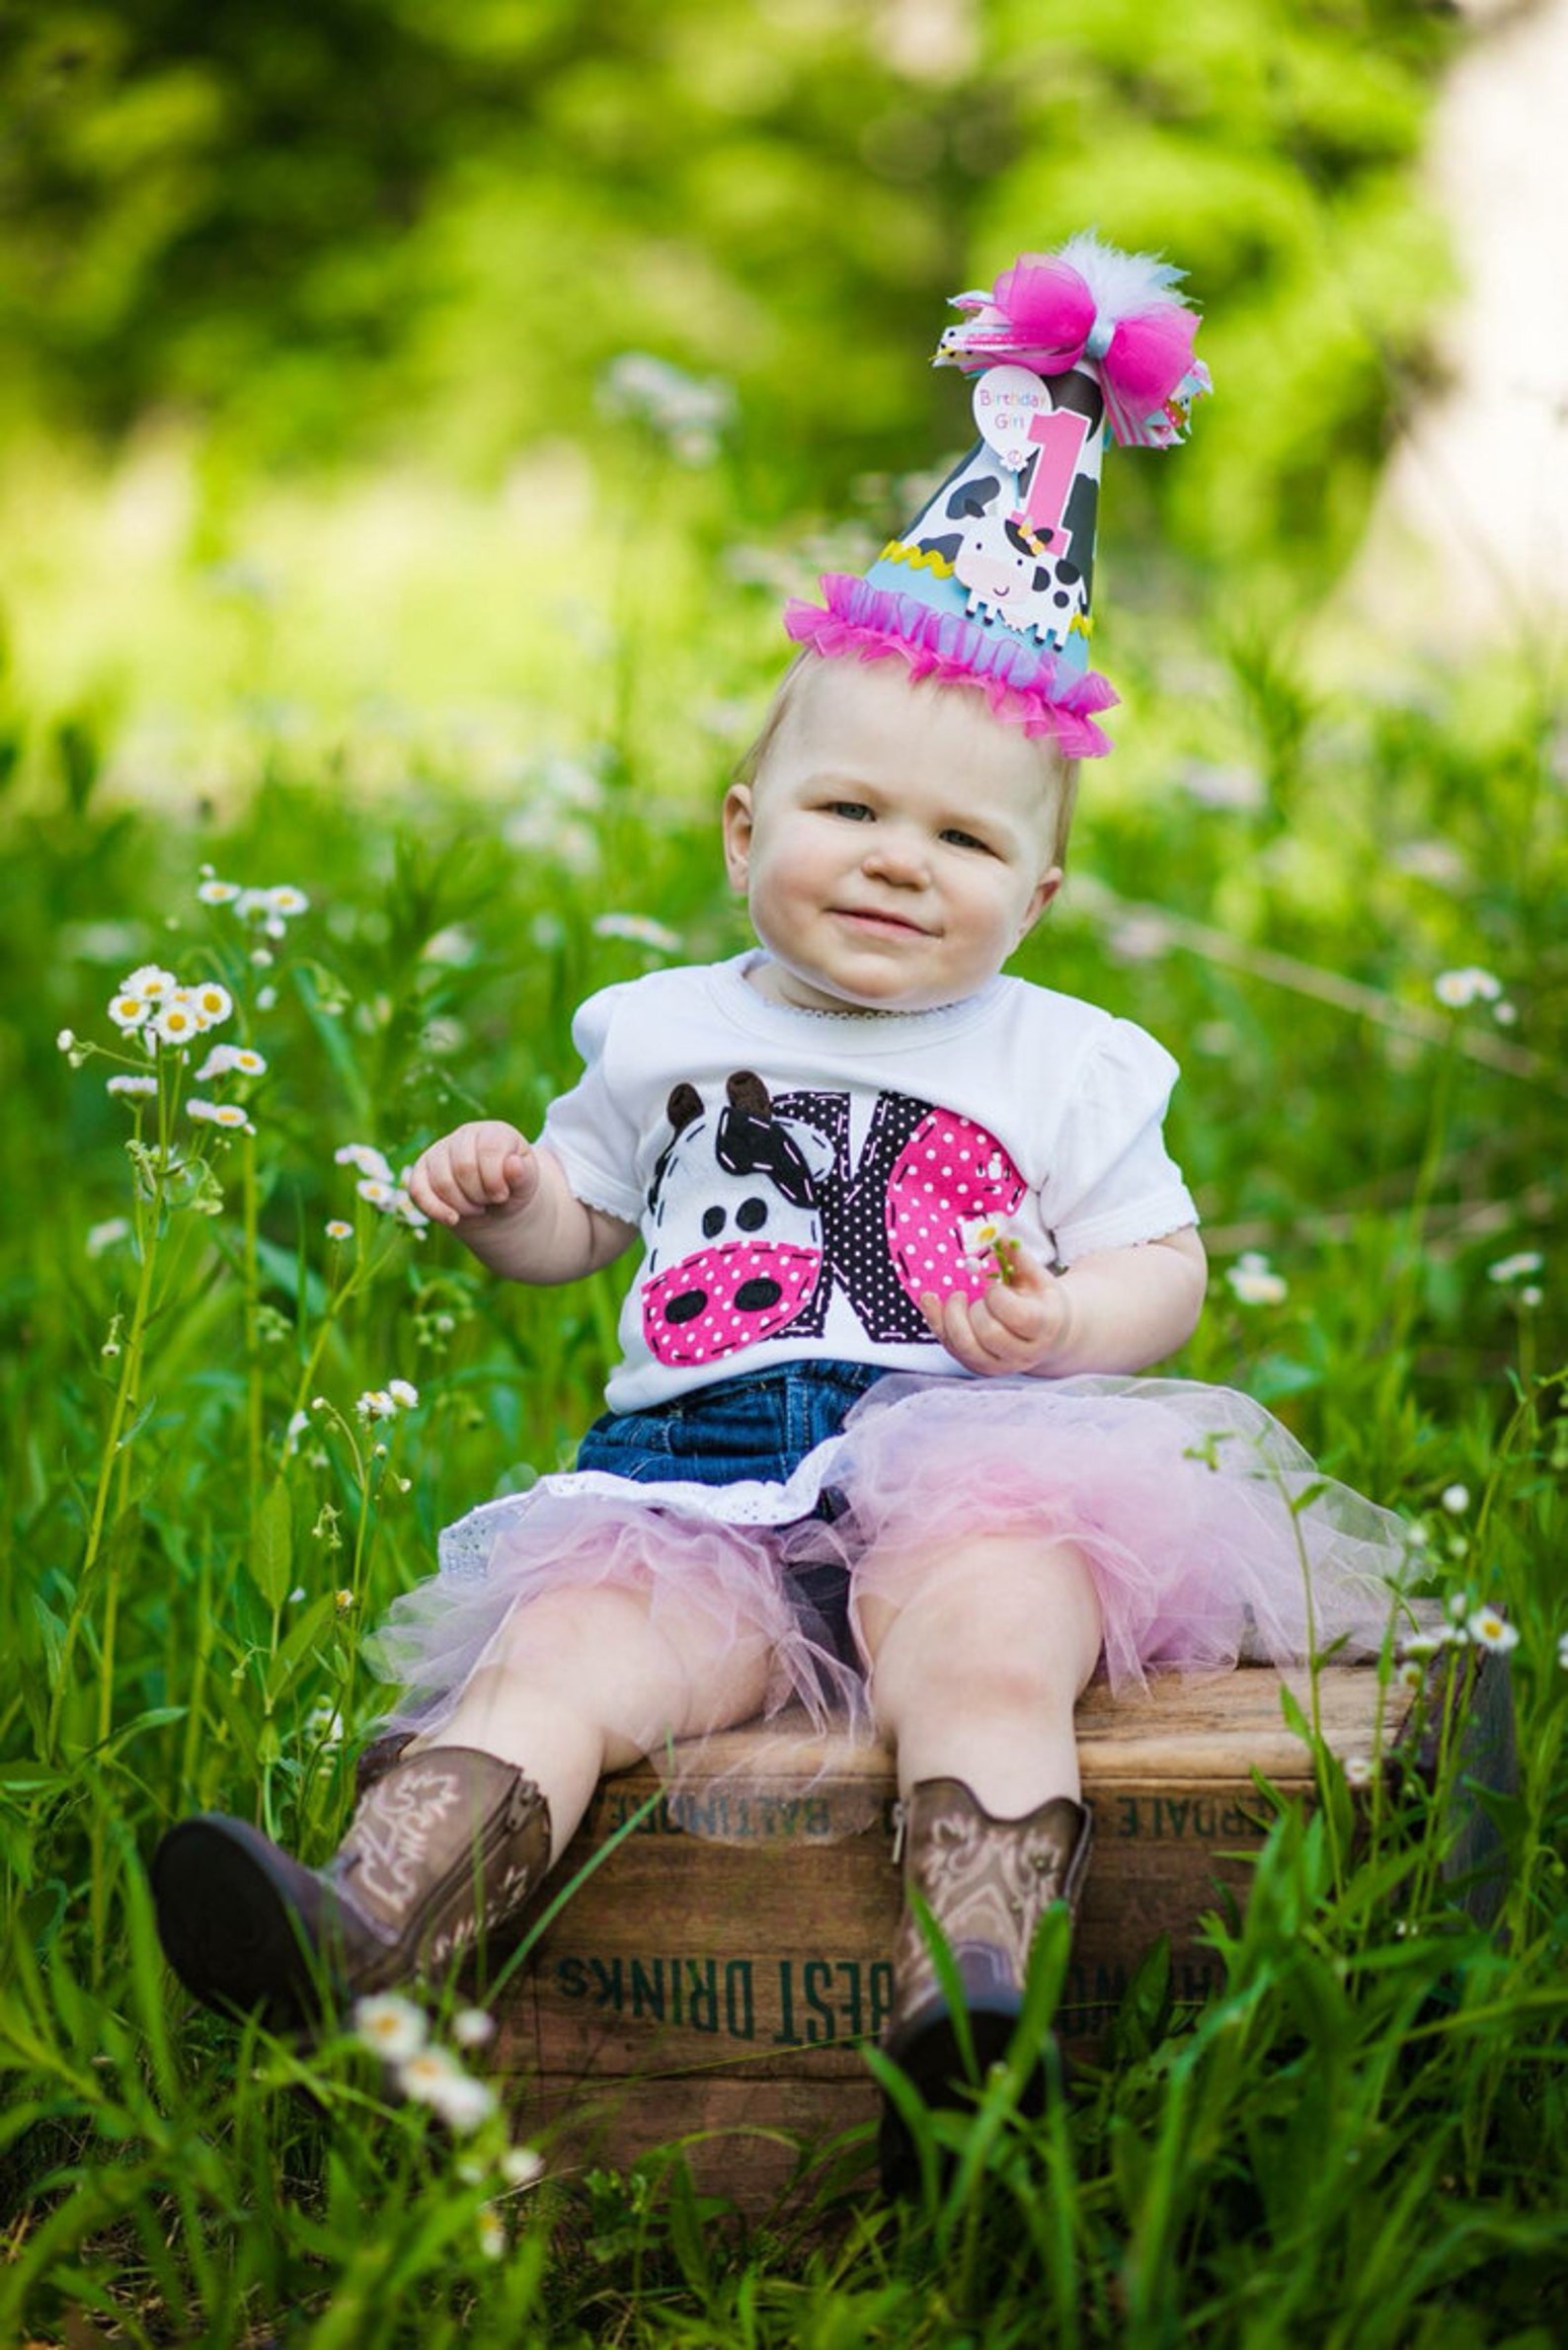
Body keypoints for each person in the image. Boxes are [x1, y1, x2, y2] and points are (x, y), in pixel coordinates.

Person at [152, 236, 1410, 2187]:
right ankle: (374, 1933)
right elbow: (589, 1221)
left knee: (989, 1649)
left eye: (964, 835)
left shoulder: (1069, 1057)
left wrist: (1061, 1322)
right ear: (743, 826)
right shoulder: (655, 1027)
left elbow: (1162, 1263)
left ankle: (967, 1990)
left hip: (971, 1449)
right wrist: (508, 1199)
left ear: (1039, 891)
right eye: (847, 812)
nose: (898, 861)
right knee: (561, 1650)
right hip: (697, 1482)